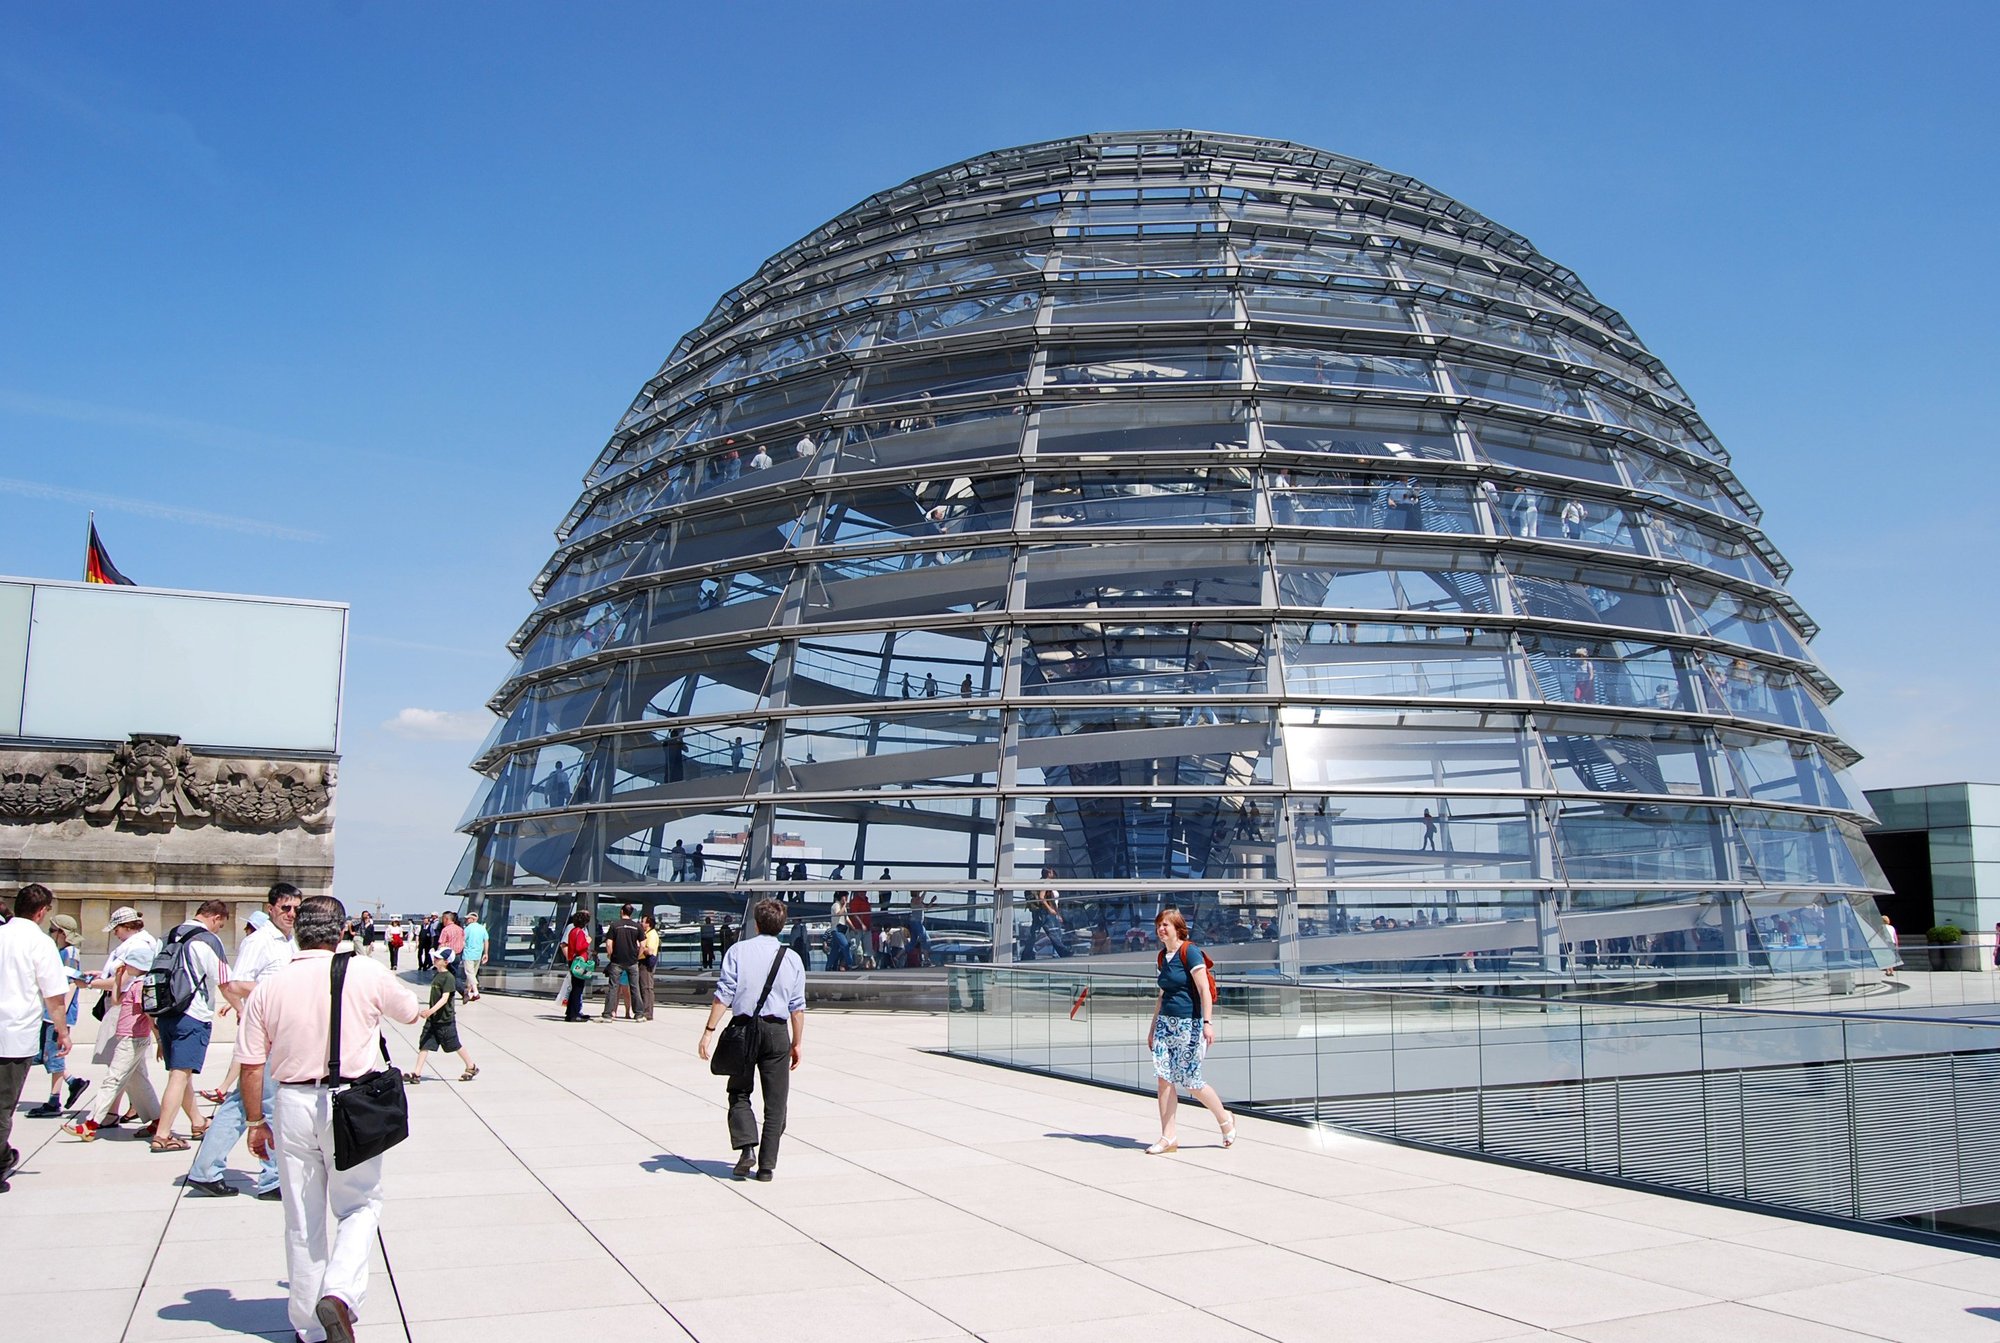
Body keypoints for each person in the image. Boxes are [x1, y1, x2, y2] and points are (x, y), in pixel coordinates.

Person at [238, 894, 421, 1343]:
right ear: (342, 931)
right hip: (352, 1104)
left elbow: (250, 1064)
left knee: (302, 1218)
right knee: (359, 1205)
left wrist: (254, 1123)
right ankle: (339, 1293)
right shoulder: (364, 970)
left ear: (297, 931)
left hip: (293, 1103)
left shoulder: (272, 985)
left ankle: (307, 1327)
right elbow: (410, 1011)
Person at [185, 881, 301, 1199]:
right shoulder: (261, 941)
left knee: (241, 1104)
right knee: (271, 1104)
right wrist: (278, 991)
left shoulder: (290, 941)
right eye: (285, 908)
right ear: (271, 908)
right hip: (264, 1031)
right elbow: (237, 982)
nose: (291, 913)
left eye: (295, 908)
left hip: (279, 1031)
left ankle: (205, 1170)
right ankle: (272, 1180)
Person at [696, 899, 805, 1182]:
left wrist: (709, 1031)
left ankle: (747, 1149)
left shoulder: (737, 952)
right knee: (776, 1102)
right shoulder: (792, 959)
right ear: (781, 926)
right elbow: (797, 1007)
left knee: (739, 1091)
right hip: (776, 1031)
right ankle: (767, 1166)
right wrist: (797, 1042)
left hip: (743, 1028)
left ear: (756, 924)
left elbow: (724, 995)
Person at [1144, 908, 1233, 1155]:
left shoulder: (1189, 952)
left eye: (1166, 925)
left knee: (1191, 1082)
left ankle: (1225, 1119)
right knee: (1164, 1079)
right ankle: (1168, 1137)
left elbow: (1204, 990)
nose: (1161, 929)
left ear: (1177, 928)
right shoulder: (1163, 957)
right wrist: (1152, 1028)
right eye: (1159, 925)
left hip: (1189, 1025)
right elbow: (1161, 996)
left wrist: (1207, 1023)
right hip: (1165, 1025)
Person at [1, 883, 72, 1192]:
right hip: (15, 1034)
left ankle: (4, 1156)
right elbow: (54, 996)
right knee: (3, 1105)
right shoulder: (40, 944)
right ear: (42, 912)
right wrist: (62, 1031)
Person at [70, 907, 161, 1140]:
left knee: (115, 1077)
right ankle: (157, 1119)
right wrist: (101, 978)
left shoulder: (139, 956)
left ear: (128, 926)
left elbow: (137, 1001)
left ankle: (91, 1124)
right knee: (135, 1078)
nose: (116, 934)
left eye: (118, 929)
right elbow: (118, 993)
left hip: (133, 1032)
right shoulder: (133, 961)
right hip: (127, 1027)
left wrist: (91, 983)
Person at [151, 899, 231, 1154]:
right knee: (180, 1075)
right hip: (193, 1014)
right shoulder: (208, 940)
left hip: (166, 1012)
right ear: (216, 918)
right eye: (221, 925)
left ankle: (198, 1122)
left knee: (180, 1073)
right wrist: (240, 1008)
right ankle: (162, 1135)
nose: (219, 930)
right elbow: (224, 980)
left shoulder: (166, 937)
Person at [25, 913, 86, 1118]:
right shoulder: (64, 951)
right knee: (46, 1053)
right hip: (54, 1013)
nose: (49, 934)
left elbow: (68, 985)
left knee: (54, 1054)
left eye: (52, 930)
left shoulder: (69, 953)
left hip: (57, 1014)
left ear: (62, 933)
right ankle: (71, 1083)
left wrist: (58, 1017)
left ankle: (54, 1100)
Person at [405, 950, 477, 1083]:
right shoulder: (437, 975)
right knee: (424, 1044)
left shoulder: (449, 978)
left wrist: (430, 1011)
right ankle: (416, 1073)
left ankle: (471, 1066)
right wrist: (430, 1013)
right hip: (433, 1020)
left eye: (438, 958)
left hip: (445, 1020)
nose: (435, 959)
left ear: (446, 962)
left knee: (454, 1044)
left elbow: (445, 998)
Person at [600, 904, 643, 1020]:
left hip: (617, 960)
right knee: (634, 987)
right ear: (631, 913)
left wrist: (610, 955)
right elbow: (643, 945)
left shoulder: (615, 925)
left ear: (621, 911)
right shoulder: (637, 926)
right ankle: (638, 1013)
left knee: (613, 987)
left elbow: (609, 943)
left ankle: (608, 1013)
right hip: (632, 961)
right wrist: (637, 957)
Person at [1029, 871, 1070, 959]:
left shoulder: (1043, 882)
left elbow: (1052, 901)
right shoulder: (1046, 882)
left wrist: (1057, 913)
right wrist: (1050, 909)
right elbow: (1042, 897)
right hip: (1045, 912)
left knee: (1036, 933)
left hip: (1045, 912)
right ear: (1048, 873)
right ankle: (1063, 953)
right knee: (1054, 933)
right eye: (1052, 872)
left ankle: (1027, 953)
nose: (1054, 873)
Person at [562, 911, 592, 1022]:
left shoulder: (572, 931)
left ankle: (570, 1013)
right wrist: (587, 941)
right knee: (578, 989)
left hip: (572, 961)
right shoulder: (579, 932)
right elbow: (579, 947)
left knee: (575, 988)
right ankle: (574, 1014)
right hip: (579, 962)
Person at [436, 913, 467, 1000]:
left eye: (443, 919)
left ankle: (461, 991)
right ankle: (451, 994)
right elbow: (463, 942)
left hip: (447, 956)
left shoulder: (445, 930)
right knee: (454, 974)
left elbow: (441, 944)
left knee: (445, 975)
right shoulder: (460, 929)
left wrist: (437, 956)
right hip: (457, 955)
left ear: (446, 919)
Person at [460, 913, 488, 1001]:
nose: (466, 920)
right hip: (478, 954)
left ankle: (476, 992)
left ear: (472, 919)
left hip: (468, 954)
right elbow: (486, 941)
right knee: (472, 974)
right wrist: (486, 953)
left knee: (469, 973)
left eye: (468, 919)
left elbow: (462, 941)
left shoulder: (468, 929)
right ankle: (467, 992)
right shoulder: (482, 928)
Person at [637, 915, 659, 1021]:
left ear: (648, 924)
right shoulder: (647, 934)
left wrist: (641, 947)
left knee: (647, 988)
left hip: (647, 962)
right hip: (643, 962)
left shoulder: (652, 935)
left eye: (643, 921)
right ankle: (644, 1010)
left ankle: (647, 1012)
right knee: (643, 987)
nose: (641, 923)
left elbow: (650, 950)